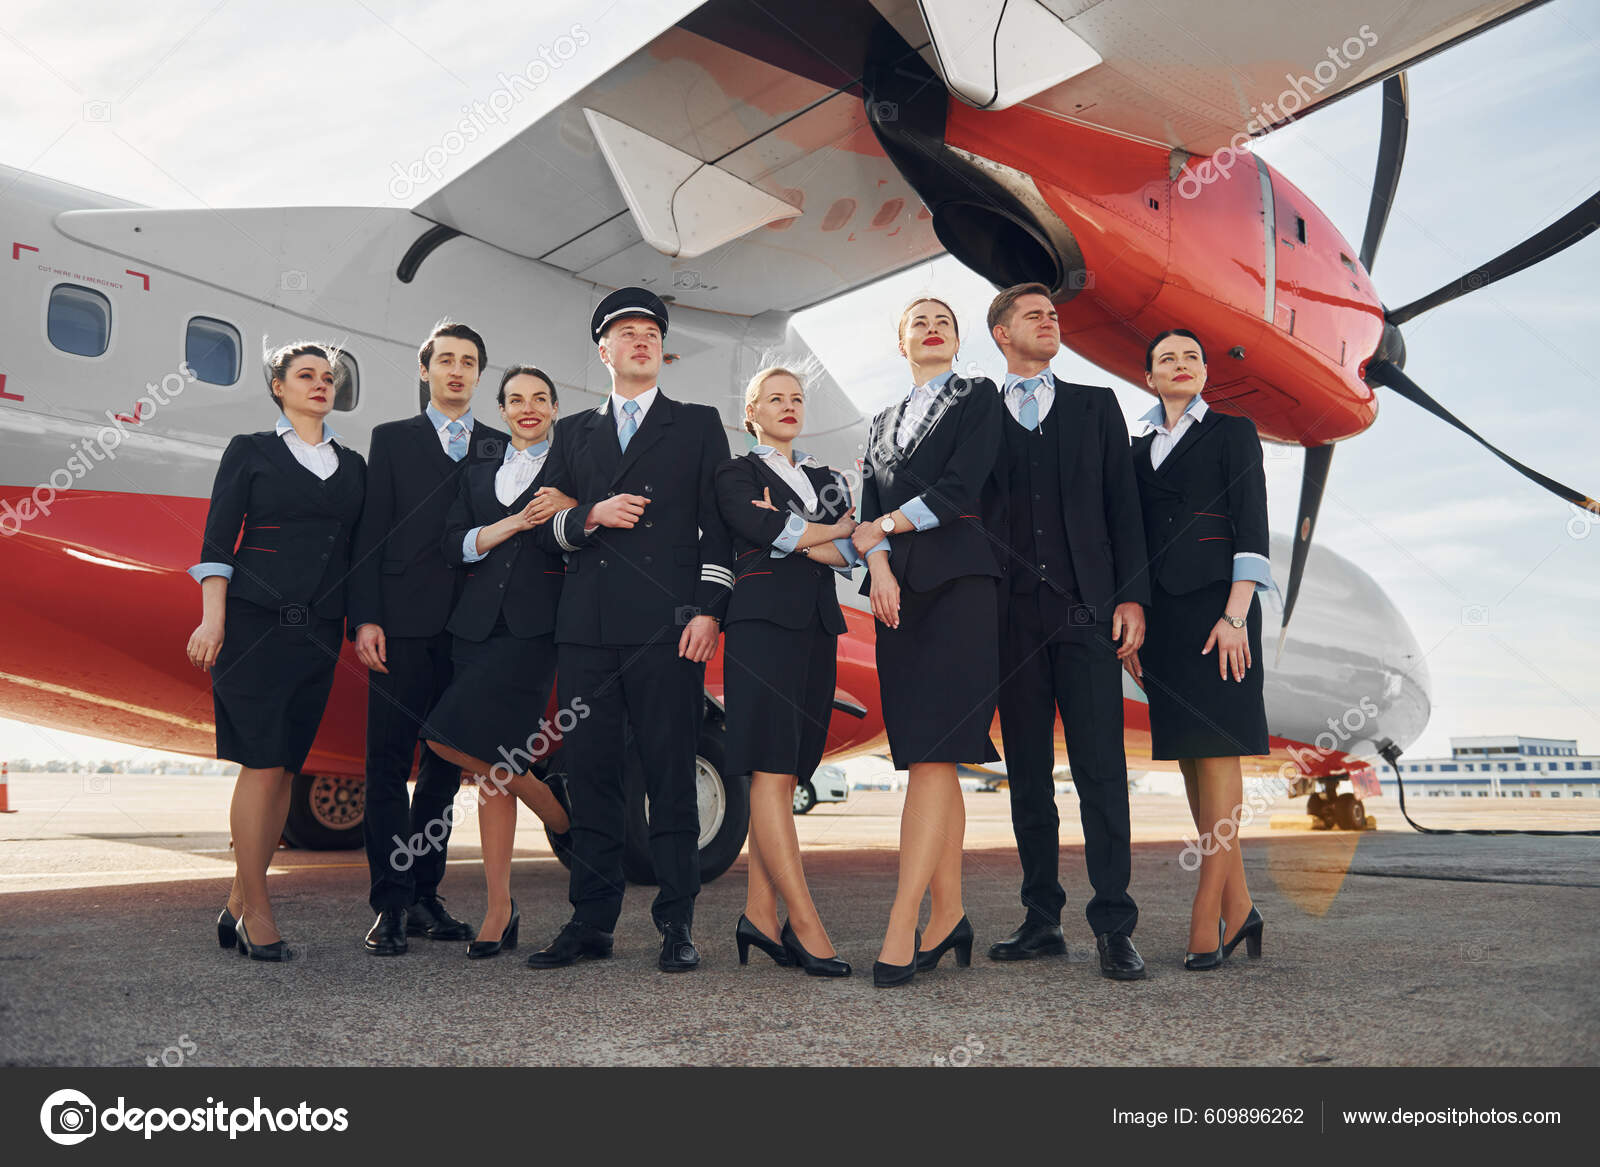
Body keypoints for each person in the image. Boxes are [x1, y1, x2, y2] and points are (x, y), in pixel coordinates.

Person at [523, 287, 733, 973]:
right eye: (626, 332)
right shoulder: (574, 431)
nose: (641, 340)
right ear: (603, 349)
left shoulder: (697, 425)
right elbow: (546, 527)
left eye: (651, 332)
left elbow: (719, 528)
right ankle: (591, 920)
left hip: (667, 629)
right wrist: (591, 514)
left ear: (661, 350)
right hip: (587, 631)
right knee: (592, 776)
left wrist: (708, 610)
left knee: (671, 774)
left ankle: (677, 922)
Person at [985, 283, 1151, 981]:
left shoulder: (1096, 406)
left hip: (1086, 614)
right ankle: (1042, 918)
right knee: (1026, 774)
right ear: (1001, 333)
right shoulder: (976, 416)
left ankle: (1114, 923)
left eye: (1054, 314)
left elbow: (1125, 508)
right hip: (1009, 620)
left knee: (1101, 773)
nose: (1050, 321)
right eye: (1034, 314)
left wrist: (1133, 599)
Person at [186, 342, 367, 961]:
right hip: (253, 625)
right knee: (260, 764)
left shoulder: (354, 464)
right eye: (306, 376)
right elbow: (216, 541)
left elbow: (357, 556)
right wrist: (212, 622)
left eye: (328, 378)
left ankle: (238, 901)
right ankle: (257, 915)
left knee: (288, 766)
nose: (320, 385)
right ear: (277, 387)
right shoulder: (252, 451)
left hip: (317, 632)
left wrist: (360, 623)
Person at [850, 296, 1003, 988]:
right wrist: (878, 562)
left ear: (957, 338)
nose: (933, 325)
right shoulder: (879, 423)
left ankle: (901, 919)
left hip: (962, 586)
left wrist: (883, 528)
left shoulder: (978, 397)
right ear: (901, 341)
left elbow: (959, 486)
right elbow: (861, 518)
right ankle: (951, 915)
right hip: (898, 596)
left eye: (944, 318)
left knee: (937, 754)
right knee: (925, 752)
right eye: (918, 320)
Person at [347, 321, 510, 956]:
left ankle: (423, 895)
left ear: (478, 374)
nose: (457, 371)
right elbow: (370, 534)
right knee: (387, 767)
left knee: (445, 768)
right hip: (399, 626)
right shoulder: (390, 441)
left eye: (469, 362)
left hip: (469, 631)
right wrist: (365, 618)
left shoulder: (499, 447)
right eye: (446, 360)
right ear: (426, 371)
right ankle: (390, 903)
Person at [1126, 328, 1273, 970]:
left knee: (1217, 753)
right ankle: (1241, 911)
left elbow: (1253, 524)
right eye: (1167, 360)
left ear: (1205, 372)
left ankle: (1205, 908)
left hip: (1220, 609)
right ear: (1150, 378)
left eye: (1191, 357)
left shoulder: (1233, 432)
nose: (1180, 366)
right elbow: (1127, 538)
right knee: (1189, 758)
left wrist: (1236, 615)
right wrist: (1130, 619)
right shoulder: (1134, 450)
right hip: (1161, 620)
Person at [421, 365, 575, 959]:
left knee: (481, 761)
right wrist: (513, 522)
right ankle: (548, 821)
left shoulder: (571, 471)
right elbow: (454, 545)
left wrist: (573, 503)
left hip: (536, 633)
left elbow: (586, 531)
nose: (528, 407)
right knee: (473, 757)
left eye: (540, 397)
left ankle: (500, 905)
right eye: (515, 400)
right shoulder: (476, 470)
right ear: (503, 411)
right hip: (475, 628)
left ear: (556, 408)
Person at [715, 366, 859, 978]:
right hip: (762, 627)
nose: (788, 406)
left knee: (792, 767)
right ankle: (805, 924)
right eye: (774, 398)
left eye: (796, 398)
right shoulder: (734, 473)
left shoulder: (826, 477)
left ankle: (757, 914)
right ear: (753, 413)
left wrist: (798, 534)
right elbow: (762, 527)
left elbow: (849, 550)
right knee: (769, 770)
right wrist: (808, 533)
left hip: (818, 629)